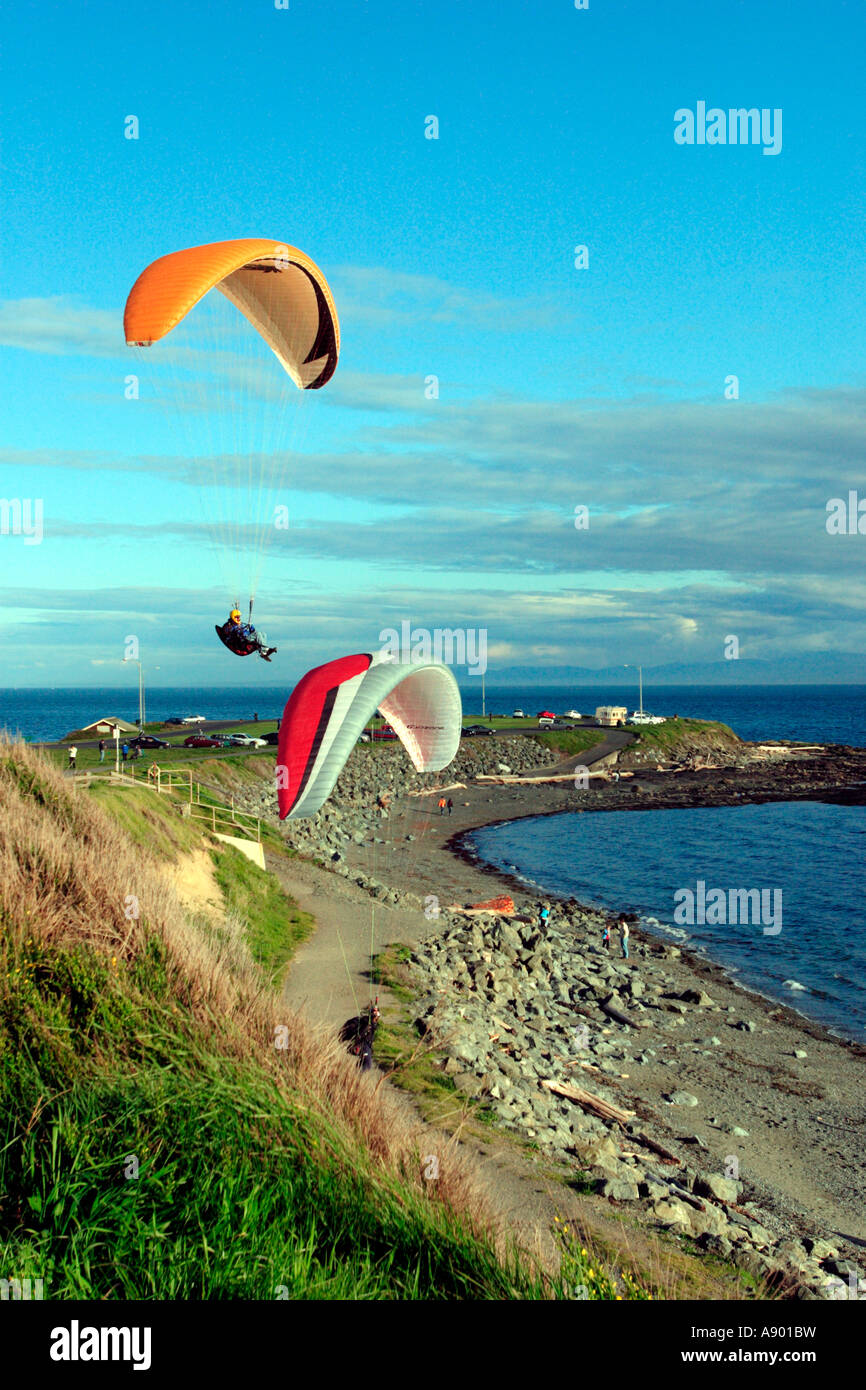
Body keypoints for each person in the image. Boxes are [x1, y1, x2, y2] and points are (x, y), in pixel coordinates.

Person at [339, 1001, 380, 1071]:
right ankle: (355, 1076)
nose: (377, 1015)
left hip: (364, 1045)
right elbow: (362, 1034)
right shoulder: (365, 1022)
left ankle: (353, 1074)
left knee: (365, 1063)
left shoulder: (370, 1023)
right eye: (375, 1012)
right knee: (367, 1064)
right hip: (360, 1045)